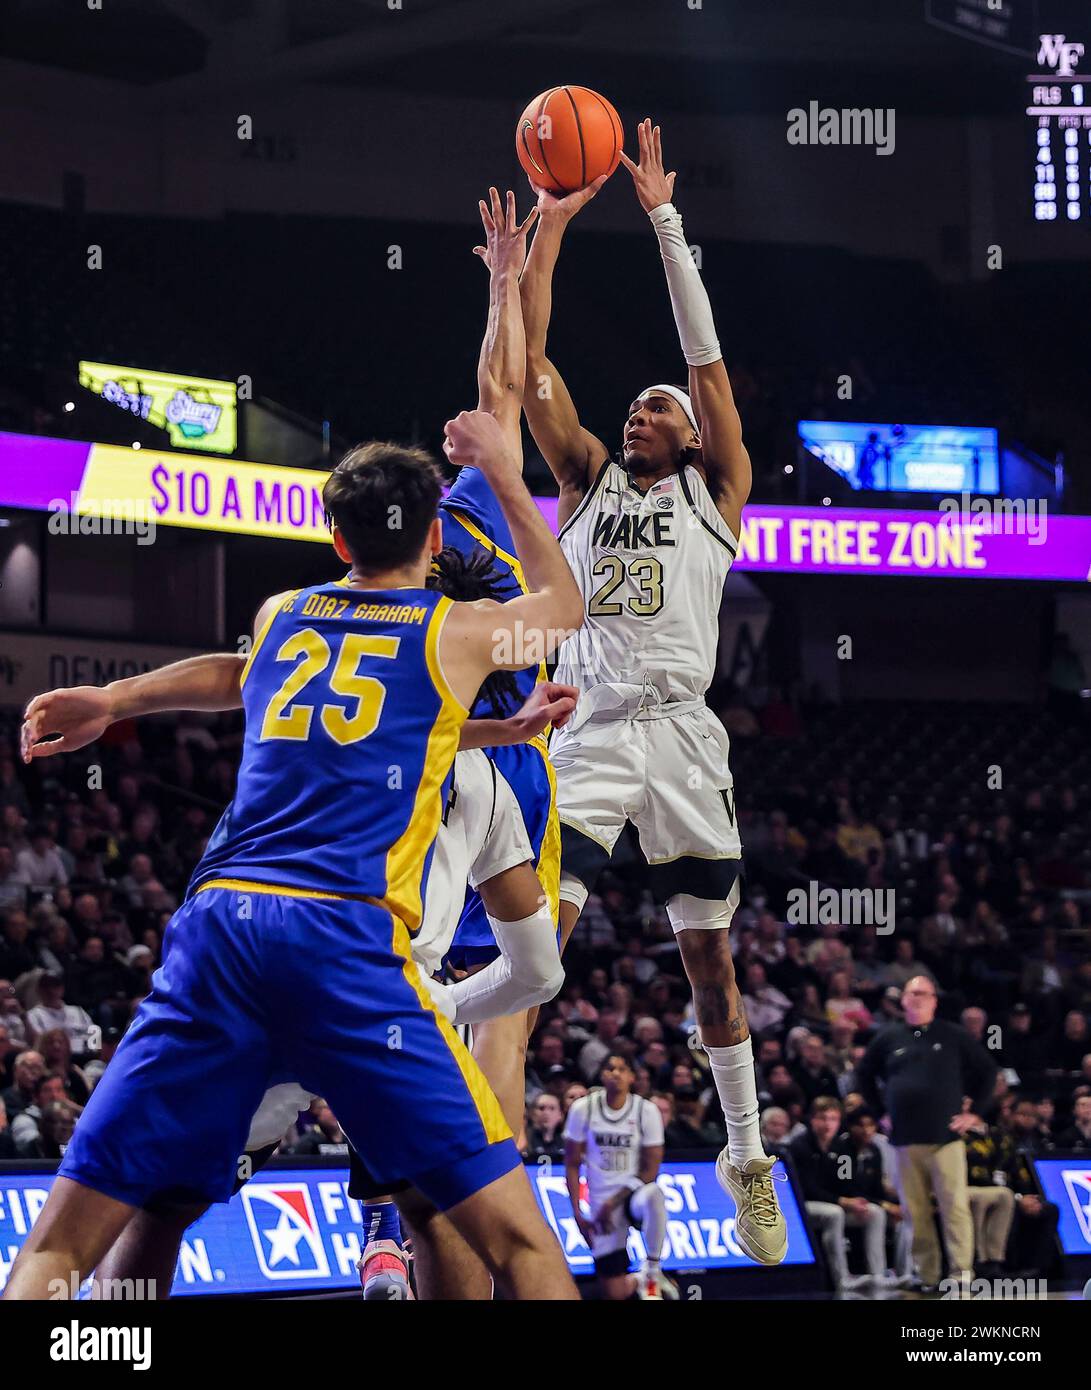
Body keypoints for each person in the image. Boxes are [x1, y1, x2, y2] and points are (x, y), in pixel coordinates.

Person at [3, 396, 584, 1301]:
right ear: (433, 538)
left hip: (221, 932)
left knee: (74, 1241)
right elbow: (560, 609)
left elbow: (244, 681)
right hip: (344, 944)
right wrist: (504, 470)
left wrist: (111, 702)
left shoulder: (282, 616)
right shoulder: (455, 631)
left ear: (336, 539)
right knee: (518, 1245)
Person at [520, 116, 784, 1265]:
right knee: (535, 950)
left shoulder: (714, 490)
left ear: (689, 434)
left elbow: (707, 359)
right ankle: (478, 1128)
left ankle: (741, 1151)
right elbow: (530, 373)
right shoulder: (582, 479)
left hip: (681, 739)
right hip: (583, 735)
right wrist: (546, 232)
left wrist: (662, 219)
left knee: (709, 961)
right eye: (633, 410)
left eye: (658, 411)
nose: (642, 416)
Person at [856, 975, 996, 1292]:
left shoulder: (952, 1035)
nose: (917, 998)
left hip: (944, 1138)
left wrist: (975, 1113)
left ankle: (961, 1272)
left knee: (954, 1207)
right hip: (905, 1140)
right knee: (914, 1211)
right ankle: (927, 1273)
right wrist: (880, 1113)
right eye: (912, 993)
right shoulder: (888, 1037)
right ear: (902, 1000)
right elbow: (863, 1075)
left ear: (934, 1000)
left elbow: (988, 1071)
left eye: (924, 993)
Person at [564, 1053, 677, 1300]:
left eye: (622, 1069)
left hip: (632, 1194)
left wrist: (613, 1202)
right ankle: (638, 1279)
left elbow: (651, 1169)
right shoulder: (583, 1108)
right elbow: (571, 1162)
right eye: (610, 1068)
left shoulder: (646, 1110)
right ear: (602, 1074)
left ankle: (652, 1269)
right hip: (600, 1200)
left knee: (654, 1195)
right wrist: (577, 1213)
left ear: (632, 1076)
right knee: (614, 1293)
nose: (615, 1073)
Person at [787, 1097, 874, 1291]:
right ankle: (841, 1278)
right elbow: (807, 1188)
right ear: (812, 1120)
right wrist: (843, 1201)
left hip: (835, 1203)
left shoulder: (843, 1148)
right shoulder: (800, 1146)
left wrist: (855, 1199)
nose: (828, 1124)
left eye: (833, 1119)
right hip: (802, 1205)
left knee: (875, 1213)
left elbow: (846, 1181)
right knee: (834, 1214)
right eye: (822, 1118)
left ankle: (876, 1274)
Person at [523, 1093, 566, 1164]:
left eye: (552, 1108)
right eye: (541, 1108)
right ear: (532, 1113)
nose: (546, 1113)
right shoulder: (523, 1141)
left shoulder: (567, 1141)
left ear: (560, 1115)